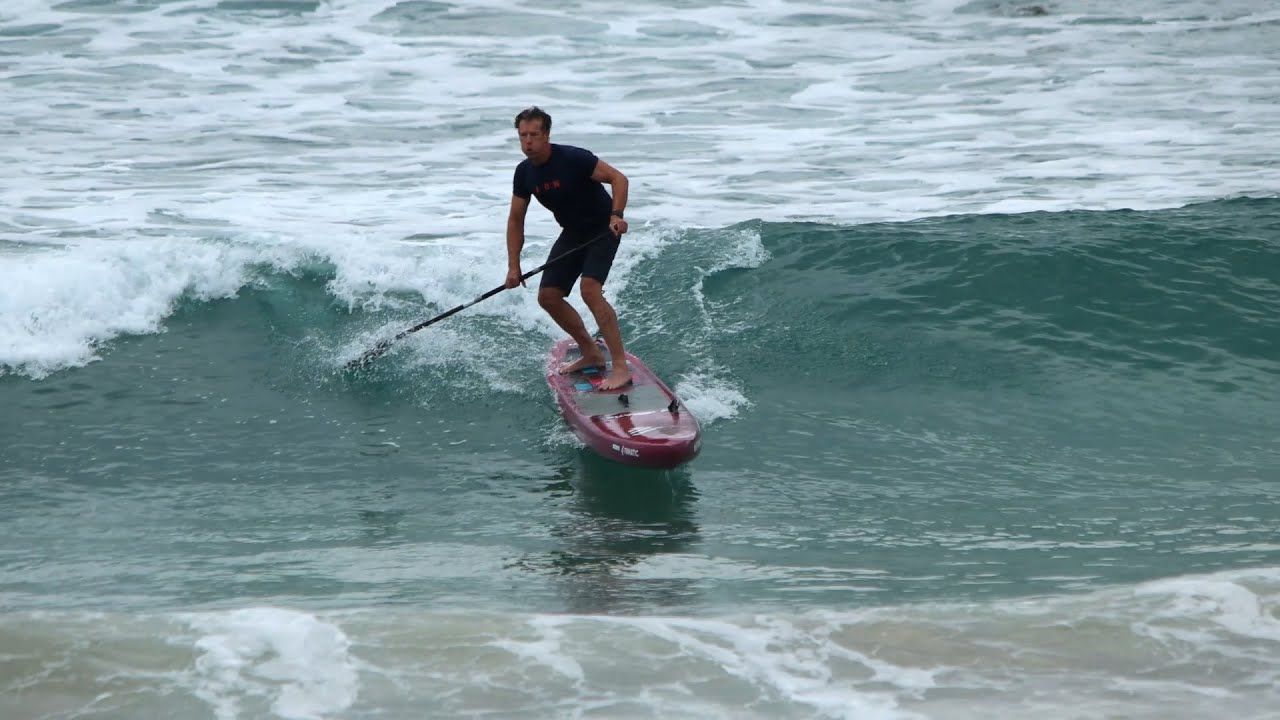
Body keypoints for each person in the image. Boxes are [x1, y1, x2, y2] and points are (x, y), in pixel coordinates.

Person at [504, 106, 633, 390]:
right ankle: (591, 352)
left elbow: (618, 179)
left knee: (590, 290)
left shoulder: (574, 158)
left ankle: (621, 368)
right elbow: (516, 219)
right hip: (573, 234)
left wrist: (617, 215)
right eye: (522, 135)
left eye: (534, 135)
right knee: (548, 296)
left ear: (547, 134)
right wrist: (514, 266)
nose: (528, 142)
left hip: (603, 228)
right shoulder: (524, 173)